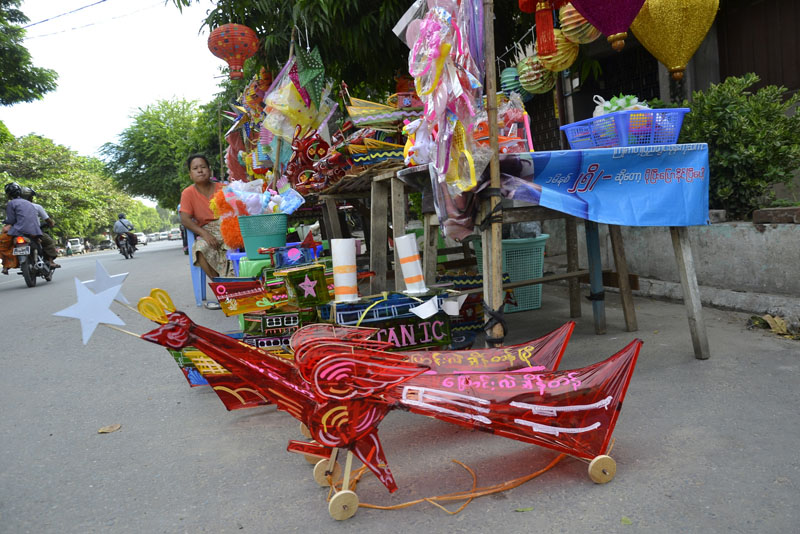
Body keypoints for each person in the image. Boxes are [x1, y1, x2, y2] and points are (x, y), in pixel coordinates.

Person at [179, 154, 230, 309]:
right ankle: (222, 290)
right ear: (190, 174)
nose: (200, 171)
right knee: (200, 249)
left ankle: (238, 287)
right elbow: (185, 219)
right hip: (206, 230)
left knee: (233, 245)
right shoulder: (188, 193)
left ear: (210, 170)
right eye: (195, 168)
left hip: (227, 226)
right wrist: (204, 234)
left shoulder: (223, 189)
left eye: (203, 167)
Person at [1, 182, 43, 275]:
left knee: (4, 243)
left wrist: (6, 224)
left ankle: (6, 266)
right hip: (35, 231)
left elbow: (11, 220)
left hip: (19, 230)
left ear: (8, 194)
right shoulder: (29, 203)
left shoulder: (11, 203)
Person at [20, 186, 60, 269]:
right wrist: (51, 224)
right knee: (49, 242)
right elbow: (48, 220)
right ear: (30, 197)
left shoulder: (15, 207)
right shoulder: (37, 207)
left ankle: (6, 267)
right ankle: (50, 261)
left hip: (19, 233)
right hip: (35, 232)